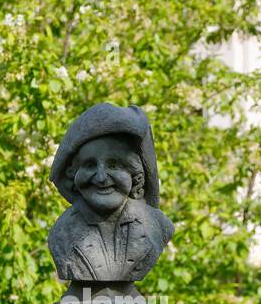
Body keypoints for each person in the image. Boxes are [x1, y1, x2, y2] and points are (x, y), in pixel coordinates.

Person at [48, 103, 174, 282]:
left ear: (135, 176)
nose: (101, 177)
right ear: (73, 174)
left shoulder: (157, 225)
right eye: (89, 165)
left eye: (114, 165)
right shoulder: (62, 233)